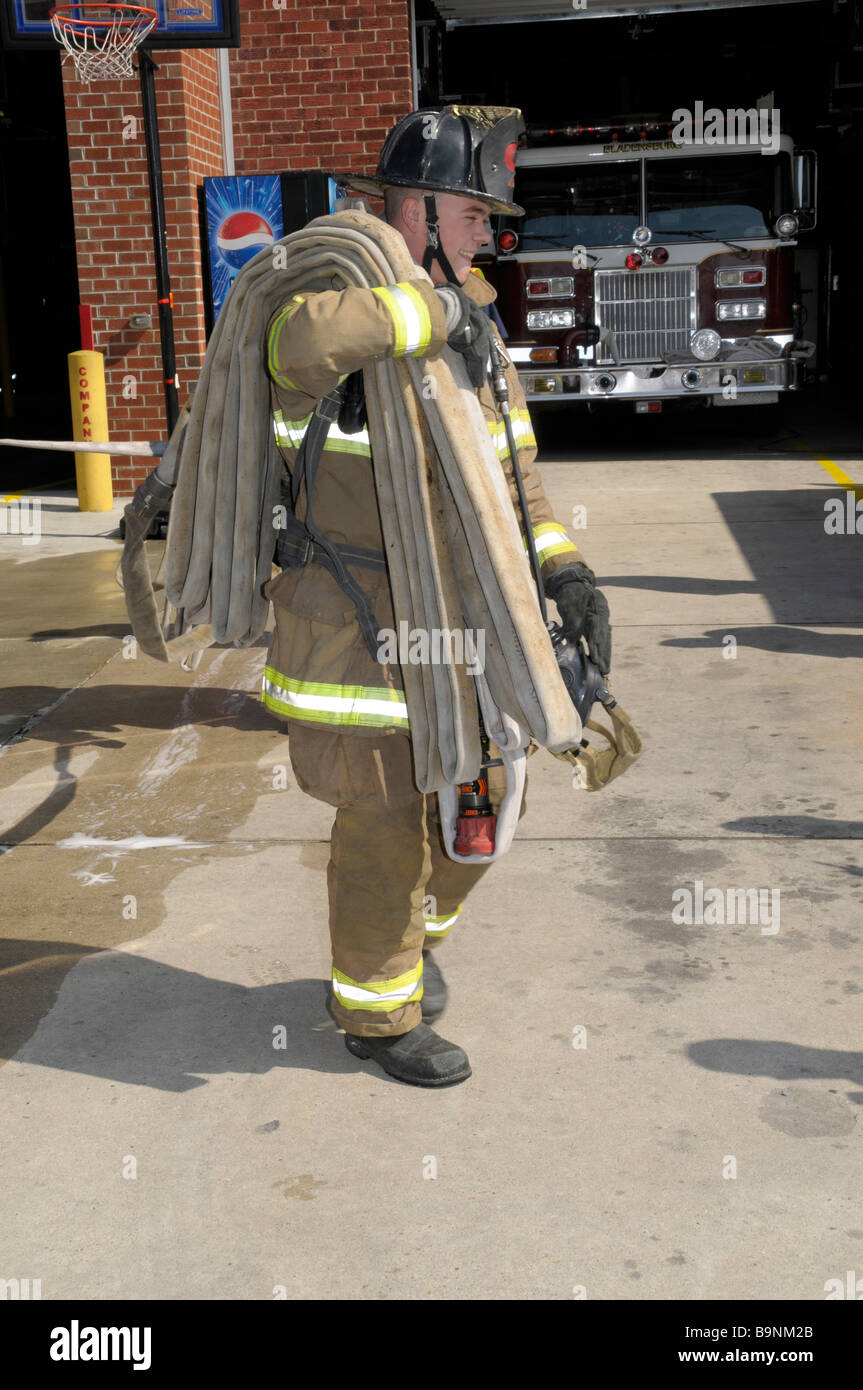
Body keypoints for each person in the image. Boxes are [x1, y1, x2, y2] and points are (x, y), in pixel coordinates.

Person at [261, 106, 611, 1088]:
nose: (486, 236)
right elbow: (293, 348)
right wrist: (429, 308)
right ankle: (377, 1015)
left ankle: (408, 944)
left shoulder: (473, 331)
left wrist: (561, 568)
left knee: (486, 802)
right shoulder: (330, 296)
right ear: (412, 208)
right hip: (354, 638)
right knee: (380, 820)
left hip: (463, 629)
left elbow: (514, 473)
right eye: (469, 215)